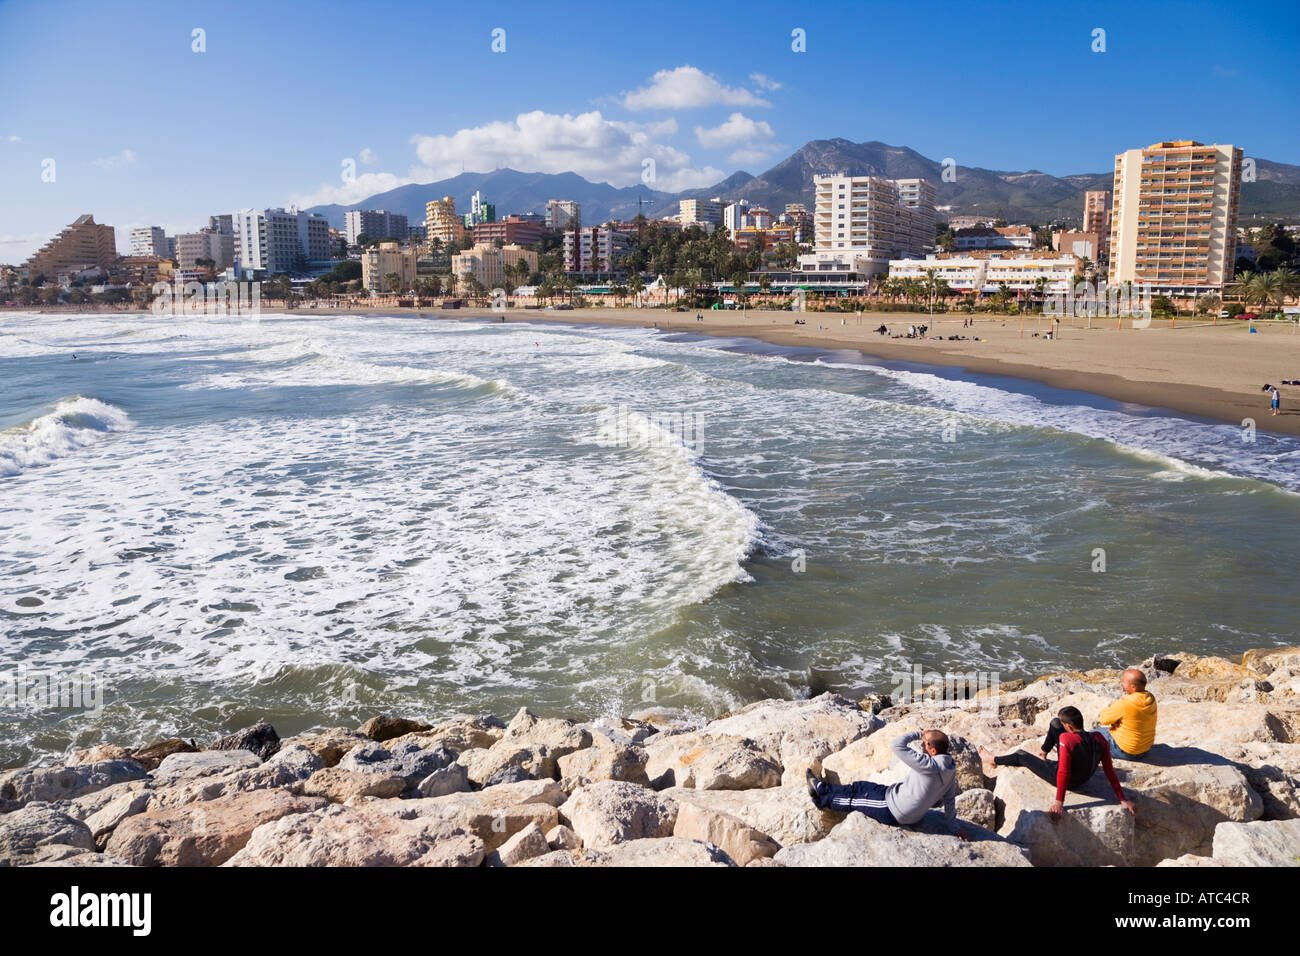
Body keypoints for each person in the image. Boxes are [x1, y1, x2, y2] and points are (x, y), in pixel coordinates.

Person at [979, 707, 1135, 823]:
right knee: (1054, 724)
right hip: (1084, 775)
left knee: (1021, 755)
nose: (1061, 725)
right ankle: (1043, 751)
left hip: (1069, 781)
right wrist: (1122, 799)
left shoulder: (1067, 740)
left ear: (1069, 727)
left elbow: (1063, 772)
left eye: (1063, 724)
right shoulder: (1099, 737)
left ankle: (994, 760)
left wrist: (1059, 803)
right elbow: (1109, 770)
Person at [807, 730, 969, 840]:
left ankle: (820, 798)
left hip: (893, 810)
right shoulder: (950, 768)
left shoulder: (929, 765)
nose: (921, 744)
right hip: (895, 796)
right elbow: (949, 800)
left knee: (854, 801)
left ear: (933, 751)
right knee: (859, 787)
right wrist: (954, 827)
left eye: (924, 743)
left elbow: (896, 745)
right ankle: (822, 787)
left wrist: (918, 733)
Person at [1097, 667, 1157, 760]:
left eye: (1124, 682)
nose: (1122, 684)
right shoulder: (1151, 698)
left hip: (1126, 751)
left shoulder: (1125, 703)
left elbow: (1103, 720)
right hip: (1144, 750)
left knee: (1091, 736)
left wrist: (1105, 714)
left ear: (1133, 687)